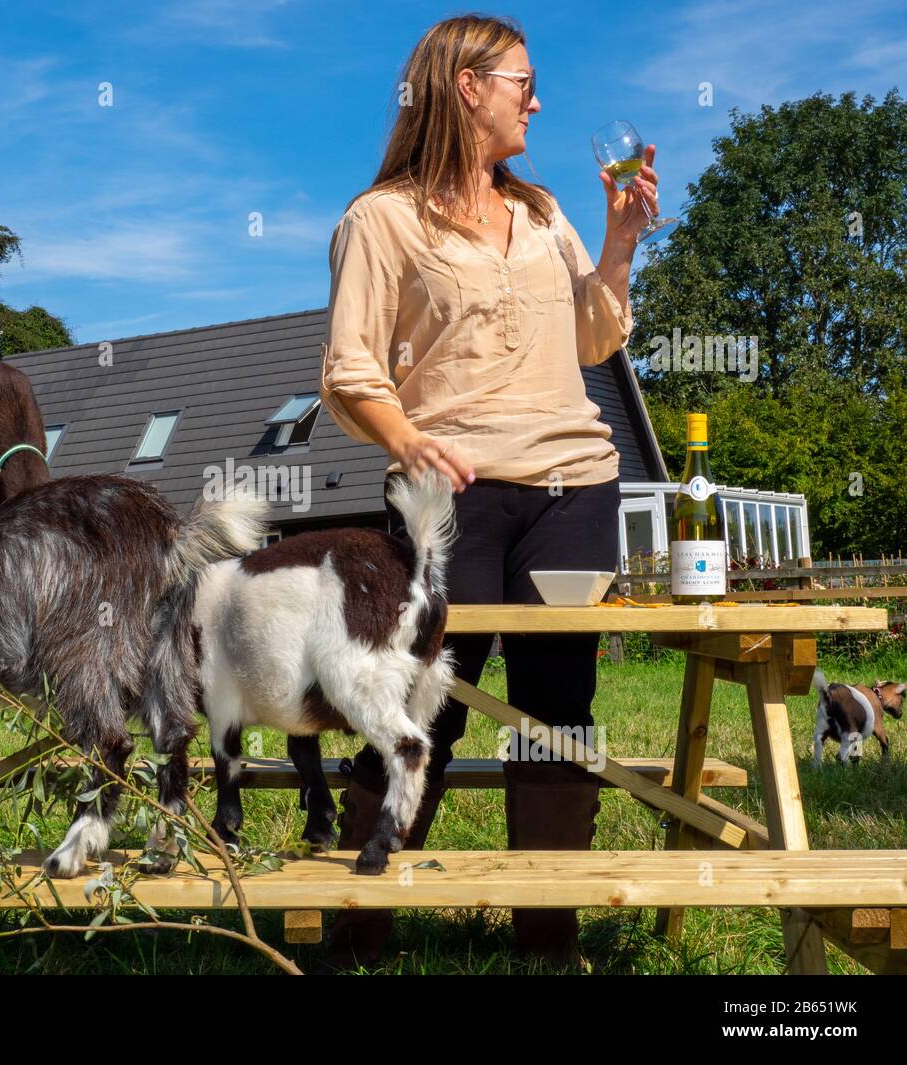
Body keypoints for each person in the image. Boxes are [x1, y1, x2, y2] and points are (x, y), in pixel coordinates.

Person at [317, 12, 659, 971]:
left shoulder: (548, 214)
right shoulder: (380, 219)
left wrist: (620, 242)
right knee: (423, 703)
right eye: (524, 81)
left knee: (558, 715)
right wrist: (410, 443)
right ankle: (361, 926)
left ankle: (546, 941)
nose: (537, 99)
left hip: (575, 488)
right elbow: (350, 371)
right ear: (467, 87)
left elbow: (593, 340)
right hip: (448, 494)